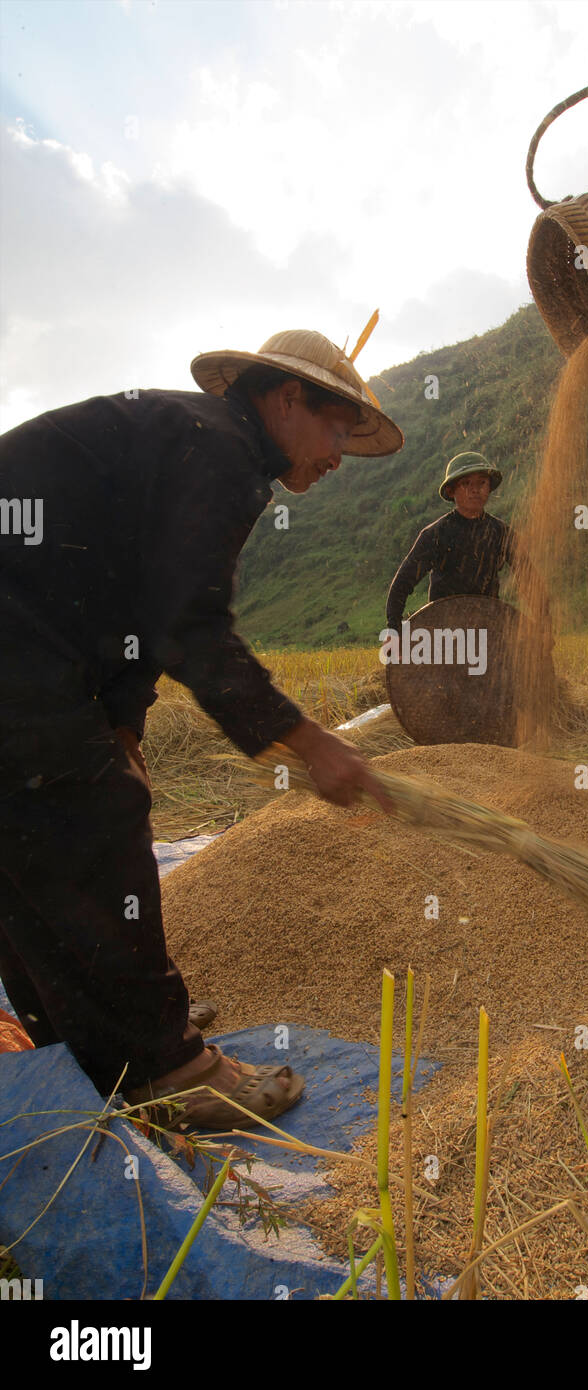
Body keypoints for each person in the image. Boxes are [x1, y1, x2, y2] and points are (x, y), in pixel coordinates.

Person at [0, 329, 402, 1128]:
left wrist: (122, 727)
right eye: (334, 429)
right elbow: (189, 626)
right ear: (284, 399)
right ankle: (166, 1067)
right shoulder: (216, 450)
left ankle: (85, 1041)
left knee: (25, 838)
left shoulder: (193, 443)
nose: (337, 454)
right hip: (17, 642)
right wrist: (309, 740)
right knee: (93, 820)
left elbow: (135, 612)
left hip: (35, 637)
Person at [385, 451, 544, 630]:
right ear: (450, 490)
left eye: (482, 483)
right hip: (444, 628)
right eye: (466, 483)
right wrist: (393, 628)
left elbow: (530, 581)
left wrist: (544, 624)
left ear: (489, 487)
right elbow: (402, 583)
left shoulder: (501, 533)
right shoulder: (435, 534)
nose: (475, 489)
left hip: (489, 627)